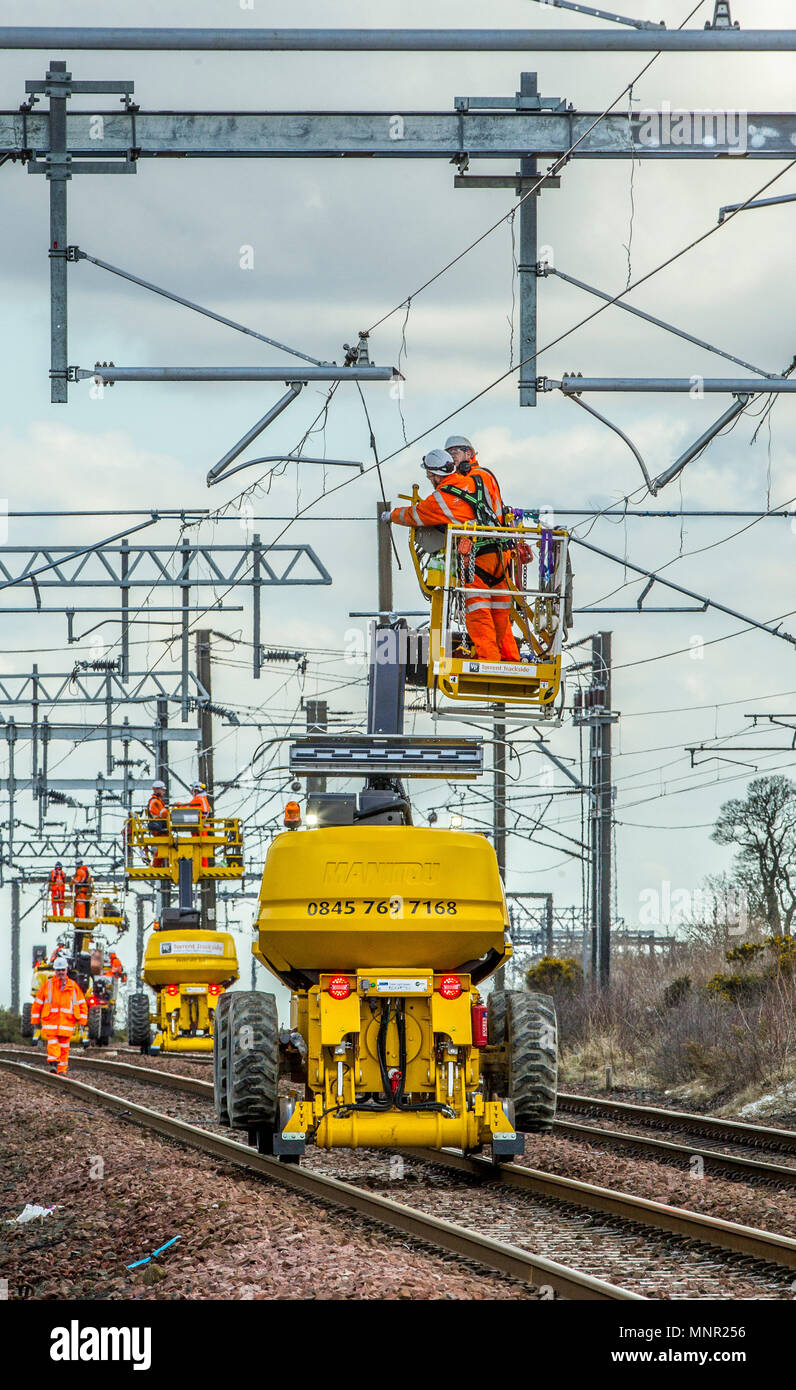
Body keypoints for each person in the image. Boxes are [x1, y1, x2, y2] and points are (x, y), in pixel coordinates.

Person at [384, 449, 520, 663]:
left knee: (478, 611)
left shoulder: (441, 498)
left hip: (477, 558)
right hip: (501, 554)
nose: (430, 480)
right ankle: (511, 659)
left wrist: (390, 515)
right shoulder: (473, 481)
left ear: (435, 475)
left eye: (430, 477)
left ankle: (490, 660)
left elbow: (413, 515)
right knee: (501, 610)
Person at [31, 953, 87, 1075]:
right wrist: (35, 1022)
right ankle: (53, 1063)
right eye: (58, 970)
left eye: (63, 970)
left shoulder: (73, 987)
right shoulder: (48, 985)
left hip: (67, 1023)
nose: (61, 972)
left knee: (64, 1048)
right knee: (53, 1044)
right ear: (55, 971)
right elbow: (37, 1003)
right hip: (51, 1022)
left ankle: (61, 1070)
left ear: (66, 970)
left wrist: (82, 1022)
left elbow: (82, 1004)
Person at [147, 779, 169, 867]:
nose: (163, 791)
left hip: (160, 827)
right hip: (158, 828)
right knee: (163, 848)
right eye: (162, 789)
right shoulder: (155, 801)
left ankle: (156, 866)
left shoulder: (158, 801)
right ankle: (155, 866)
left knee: (162, 849)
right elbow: (163, 814)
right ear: (156, 789)